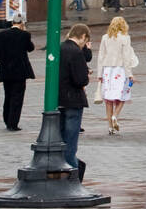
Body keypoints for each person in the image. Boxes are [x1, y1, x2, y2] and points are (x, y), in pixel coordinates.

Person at [57, 24, 93, 180]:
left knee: (61, 140)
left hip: (58, 99)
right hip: (73, 100)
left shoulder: (59, 48)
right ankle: (74, 177)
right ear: (84, 36)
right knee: (70, 145)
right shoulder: (76, 52)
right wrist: (86, 74)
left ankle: (71, 171)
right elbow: (80, 80)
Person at [0, 13, 35, 132]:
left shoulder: (1, 35)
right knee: (18, 97)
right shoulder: (25, 35)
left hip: (6, 70)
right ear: (22, 24)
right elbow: (31, 48)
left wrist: (2, 60)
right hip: (20, 71)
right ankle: (13, 122)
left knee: (8, 95)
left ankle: (7, 119)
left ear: (12, 22)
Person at [97, 16, 138, 136]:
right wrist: (129, 74)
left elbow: (101, 56)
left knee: (108, 99)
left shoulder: (105, 37)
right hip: (120, 70)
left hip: (107, 70)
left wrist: (100, 73)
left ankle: (110, 127)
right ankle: (115, 115)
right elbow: (126, 57)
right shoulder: (125, 38)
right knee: (123, 95)